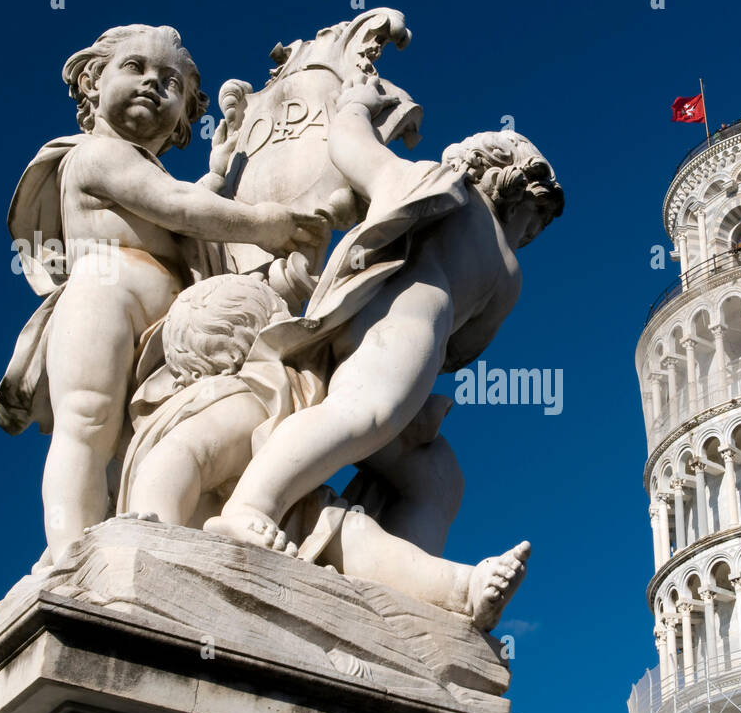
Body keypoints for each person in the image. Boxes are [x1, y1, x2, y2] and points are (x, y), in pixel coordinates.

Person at [0, 25, 327, 559]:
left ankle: (127, 528)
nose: (153, 83)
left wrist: (218, 173)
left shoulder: (146, 173)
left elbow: (183, 209)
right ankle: (68, 553)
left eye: (171, 83)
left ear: (184, 117)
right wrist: (266, 223)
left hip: (165, 333)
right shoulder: (96, 155)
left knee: (128, 442)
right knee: (87, 423)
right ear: (92, 82)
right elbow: (179, 208)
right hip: (101, 301)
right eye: (135, 68)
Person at [204, 81, 564, 553]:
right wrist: (355, 103)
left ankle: (400, 575)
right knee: (361, 413)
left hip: (405, 342)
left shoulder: (460, 214)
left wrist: (357, 108)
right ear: (515, 187)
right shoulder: (449, 193)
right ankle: (251, 506)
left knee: (436, 478)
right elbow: (465, 347)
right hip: (406, 323)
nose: (531, 234)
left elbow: (353, 147)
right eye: (535, 219)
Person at [118, 273, 528, 630]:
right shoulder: (238, 399)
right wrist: (155, 527)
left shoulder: (273, 398)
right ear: (242, 348)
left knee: (355, 534)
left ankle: (463, 588)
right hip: (216, 528)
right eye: (287, 326)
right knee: (352, 534)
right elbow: (179, 456)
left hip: (285, 521)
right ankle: (461, 588)